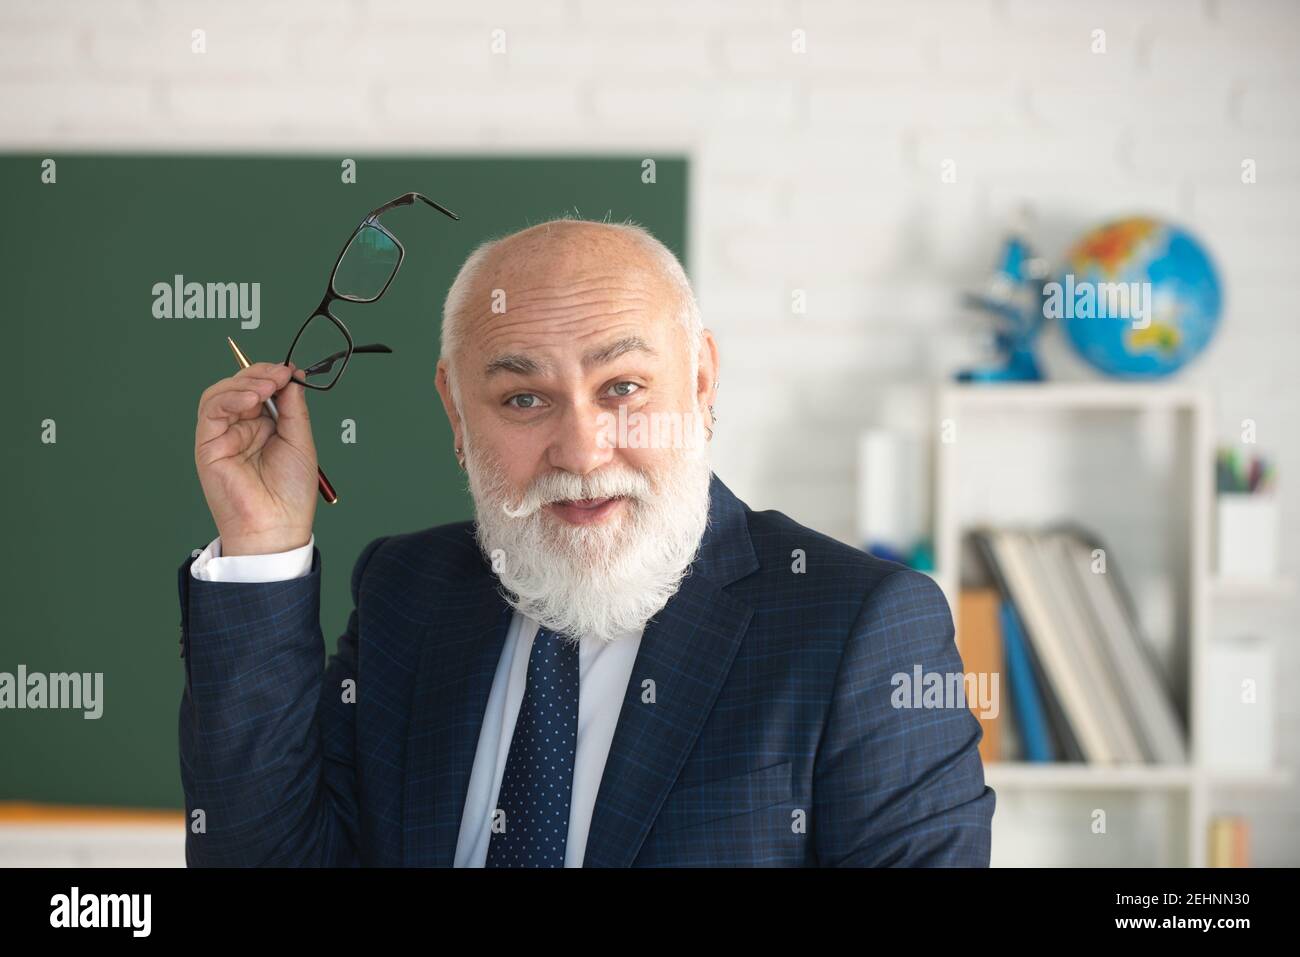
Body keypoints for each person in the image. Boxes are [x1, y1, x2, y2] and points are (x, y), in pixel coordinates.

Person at [180, 218, 994, 867]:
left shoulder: (864, 628)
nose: (581, 449)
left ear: (702, 384)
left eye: (623, 388)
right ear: (457, 415)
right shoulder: (407, 593)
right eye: (524, 398)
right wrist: (261, 541)